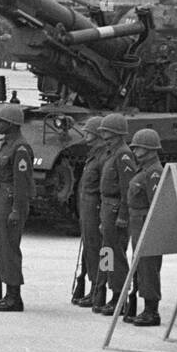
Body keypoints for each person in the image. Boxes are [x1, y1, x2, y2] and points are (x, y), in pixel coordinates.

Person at [0, 103, 34, 311]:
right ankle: (3, 288)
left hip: (9, 203)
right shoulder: (7, 144)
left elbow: (22, 183)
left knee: (9, 249)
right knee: (1, 247)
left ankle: (14, 296)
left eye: (1, 122)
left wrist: (17, 209)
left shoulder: (20, 149)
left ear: (12, 124)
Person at [96, 112, 136, 316]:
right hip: (107, 208)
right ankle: (106, 288)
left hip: (115, 210)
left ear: (118, 135)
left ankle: (119, 295)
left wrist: (123, 215)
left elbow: (127, 188)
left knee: (116, 254)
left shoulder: (123, 155)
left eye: (108, 134)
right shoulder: (113, 153)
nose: (105, 138)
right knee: (107, 252)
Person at [126, 129, 164, 327]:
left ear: (149, 149)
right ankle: (142, 304)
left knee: (148, 266)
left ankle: (151, 311)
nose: (134, 149)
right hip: (137, 221)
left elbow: (156, 203)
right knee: (140, 265)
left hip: (146, 222)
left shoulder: (154, 172)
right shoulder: (143, 169)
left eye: (138, 146)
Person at [74, 116, 107, 308]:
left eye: (88, 131)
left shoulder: (103, 157)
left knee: (96, 249)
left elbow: (105, 187)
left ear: (96, 134)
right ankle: (94, 286)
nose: (84, 133)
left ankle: (98, 288)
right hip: (87, 209)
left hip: (94, 210)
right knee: (90, 249)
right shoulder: (95, 154)